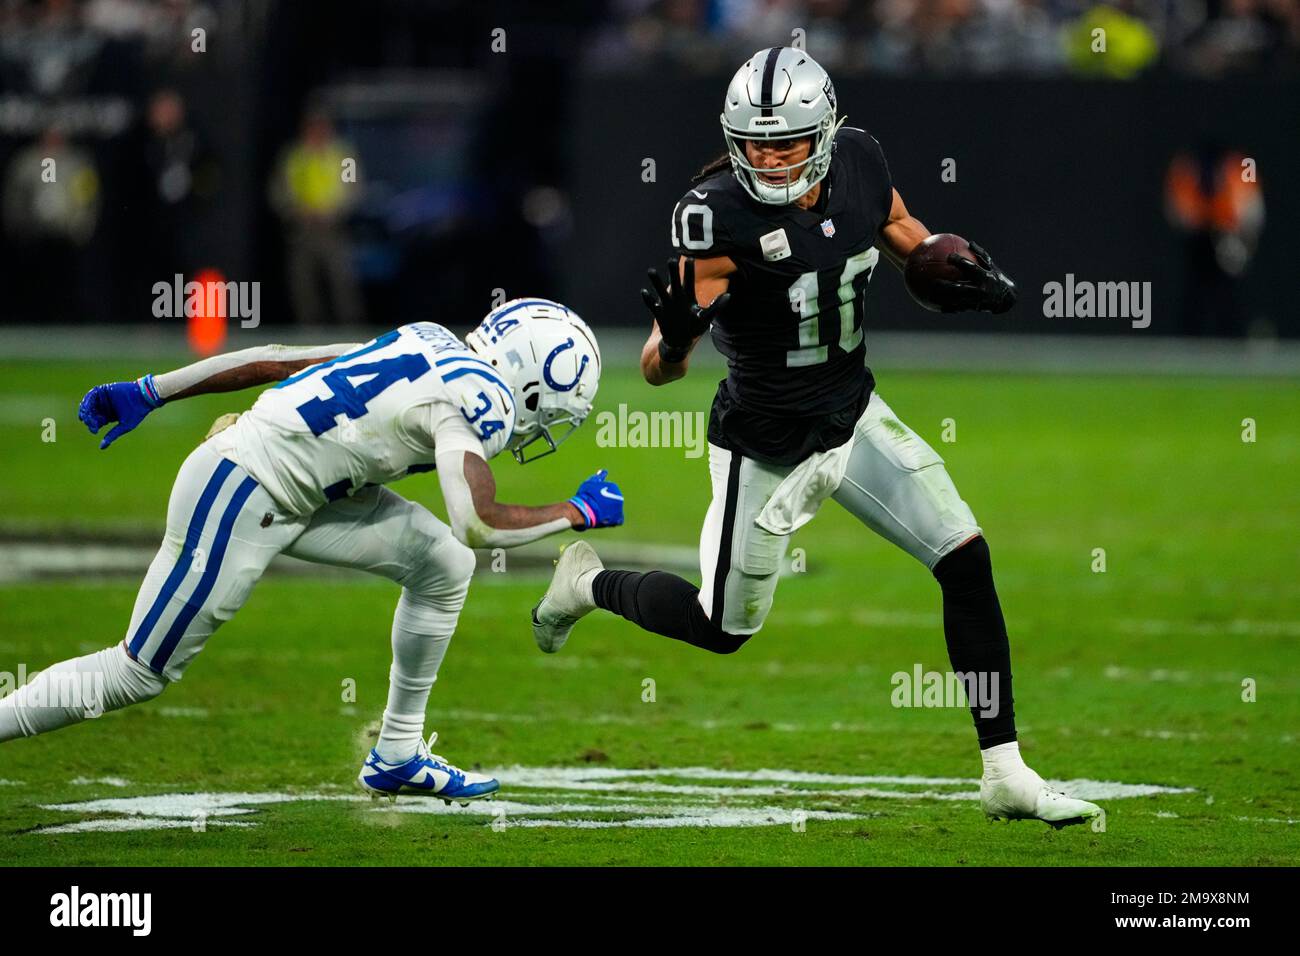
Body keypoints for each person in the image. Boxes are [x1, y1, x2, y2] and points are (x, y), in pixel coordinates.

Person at [532, 47, 1100, 828]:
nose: (769, 158)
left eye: (787, 143)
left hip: (852, 416)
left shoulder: (862, 160)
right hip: (764, 446)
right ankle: (587, 584)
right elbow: (661, 371)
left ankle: (1003, 770)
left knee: (965, 559)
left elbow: (899, 228)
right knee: (721, 629)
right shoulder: (715, 213)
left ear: (826, 135)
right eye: (756, 144)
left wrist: (949, 265)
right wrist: (673, 336)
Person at [0, 300, 624, 805]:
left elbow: (274, 359)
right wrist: (576, 512)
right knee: (137, 672)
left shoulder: (429, 337)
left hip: (303, 491)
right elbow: (478, 523)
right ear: (535, 384)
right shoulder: (483, 399)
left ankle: (398, 755)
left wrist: (151, 389)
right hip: (245, 489)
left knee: (442, 567)